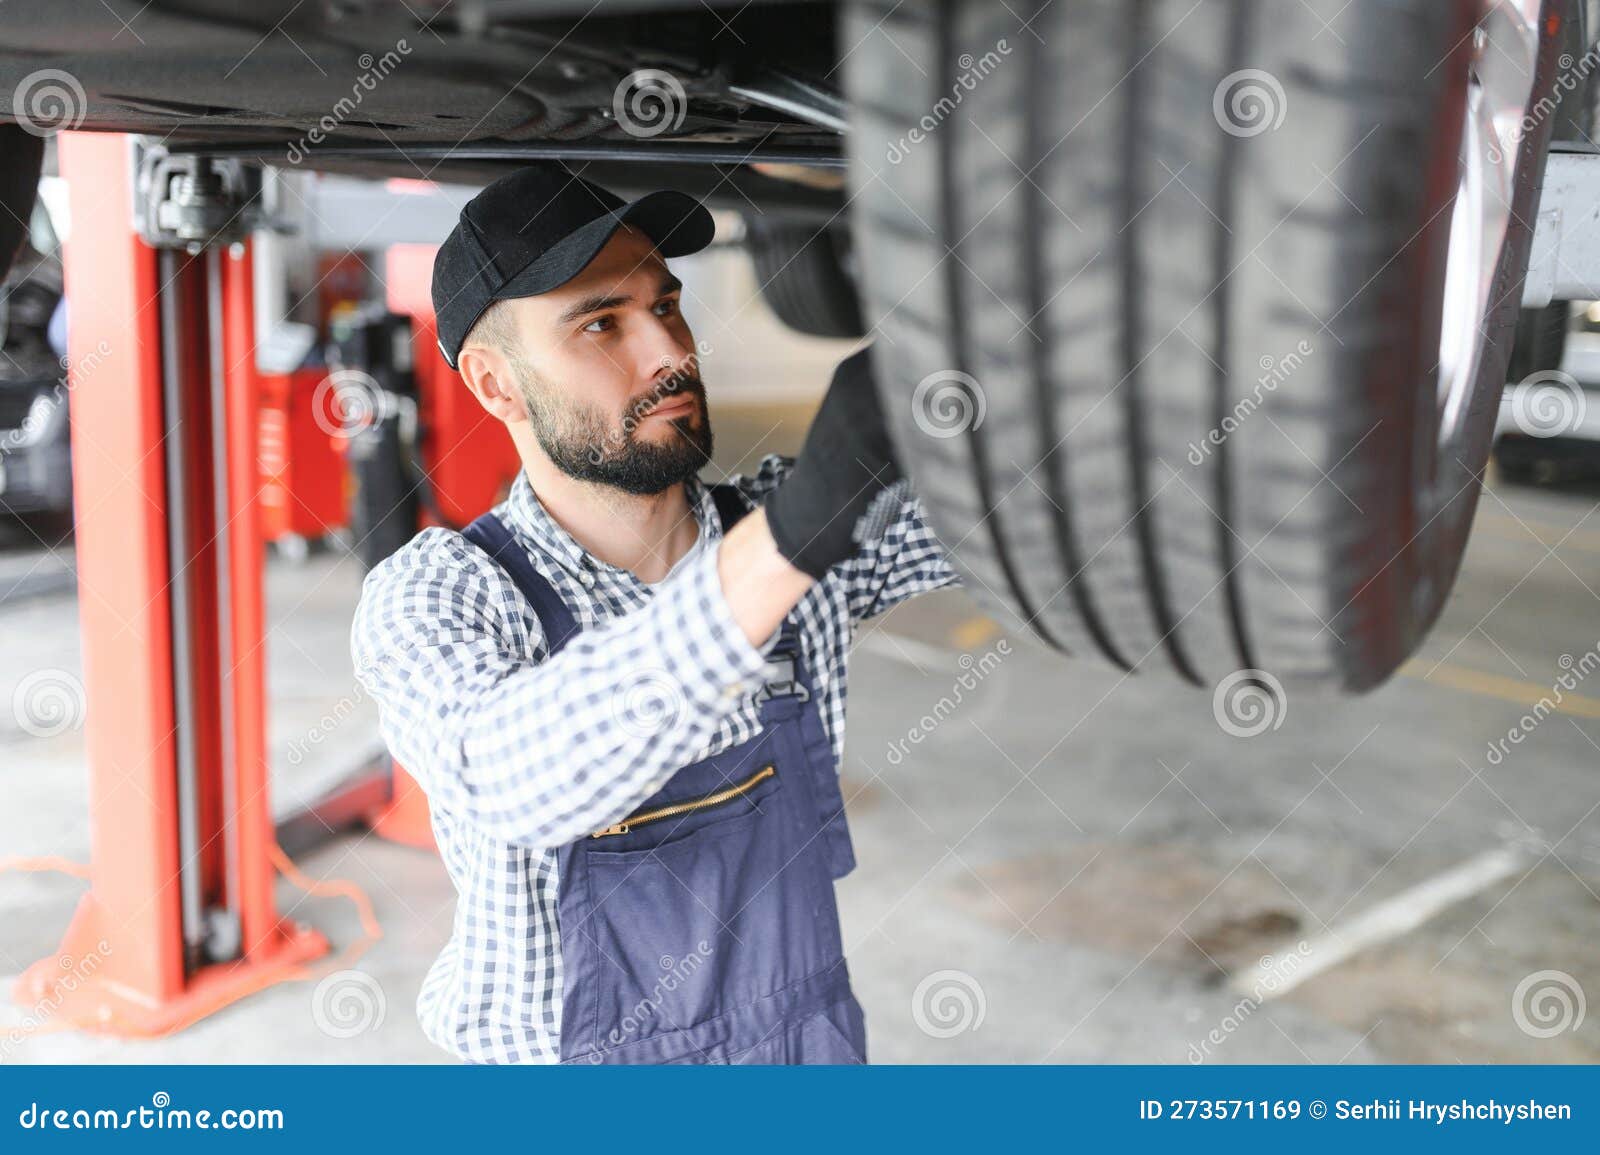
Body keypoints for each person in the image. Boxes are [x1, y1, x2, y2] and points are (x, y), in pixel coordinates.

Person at [351, 162, 958, 1064]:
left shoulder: (789, 530)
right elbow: (508, 776)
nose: (669, 351)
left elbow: (1046, 520)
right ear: (496, 386)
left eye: (665, 306)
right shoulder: (446, 595)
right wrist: (789, 544)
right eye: (602, 323)